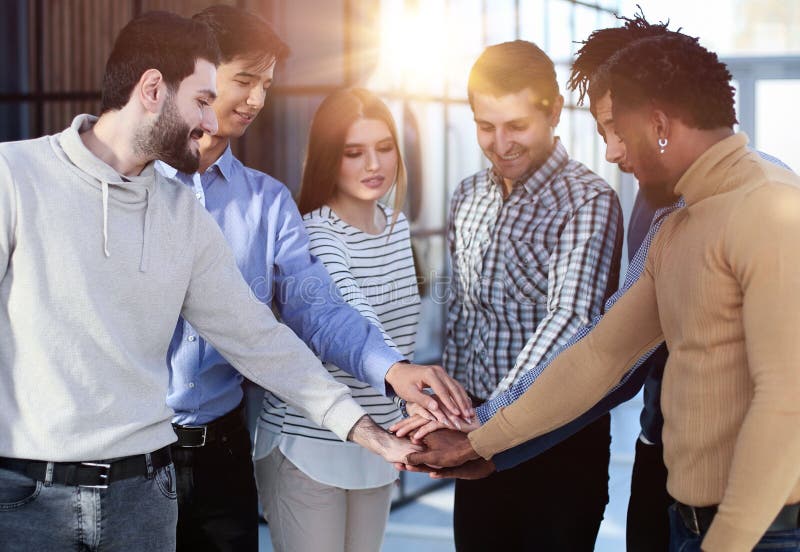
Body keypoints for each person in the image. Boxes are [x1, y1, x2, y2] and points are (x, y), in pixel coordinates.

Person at [0, 11, 421, 552]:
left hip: (145, 492)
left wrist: (367, 429)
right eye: (206, 97)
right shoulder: (15, 177)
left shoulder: (184, 212)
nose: (215, 117)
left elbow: (258, 337)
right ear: (153, 89)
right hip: (29, 496)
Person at [407, 32, 800, 552]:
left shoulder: (772, 209)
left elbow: (788, 398)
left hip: (764, 534)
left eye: (616, 132)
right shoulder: (675, 226)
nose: (611, 153)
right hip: (689, 522)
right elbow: (600, 355)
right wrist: (479, 440)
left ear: (658, 126)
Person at [156, 7, 470, 551]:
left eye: (266, 84)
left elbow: (319, 309)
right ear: (198, 76)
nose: (257, 100)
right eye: (244, 80)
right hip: (136, 453)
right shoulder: (132, 187)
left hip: (221, 450)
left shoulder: (268, 202)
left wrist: (393, 369)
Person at [442, 39, 623, 551]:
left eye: (516, 125)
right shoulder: (467, 195)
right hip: (476, 437)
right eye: (485, 126)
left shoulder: (589, 201)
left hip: (557, 443)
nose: (500, 144)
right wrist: (454, 416)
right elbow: (461, 317)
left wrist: (488, 424)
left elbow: (569, 321)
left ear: (554, 112)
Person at [253, 87, 420, 552]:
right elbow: (349, 317)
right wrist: (408, 381)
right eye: (355, 152)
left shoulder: (396, 225)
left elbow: (402, 331)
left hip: (379, 442)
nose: (374, 165)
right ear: (330, 157)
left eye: (384, 148)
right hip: (309, 443)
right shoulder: (315, 232)